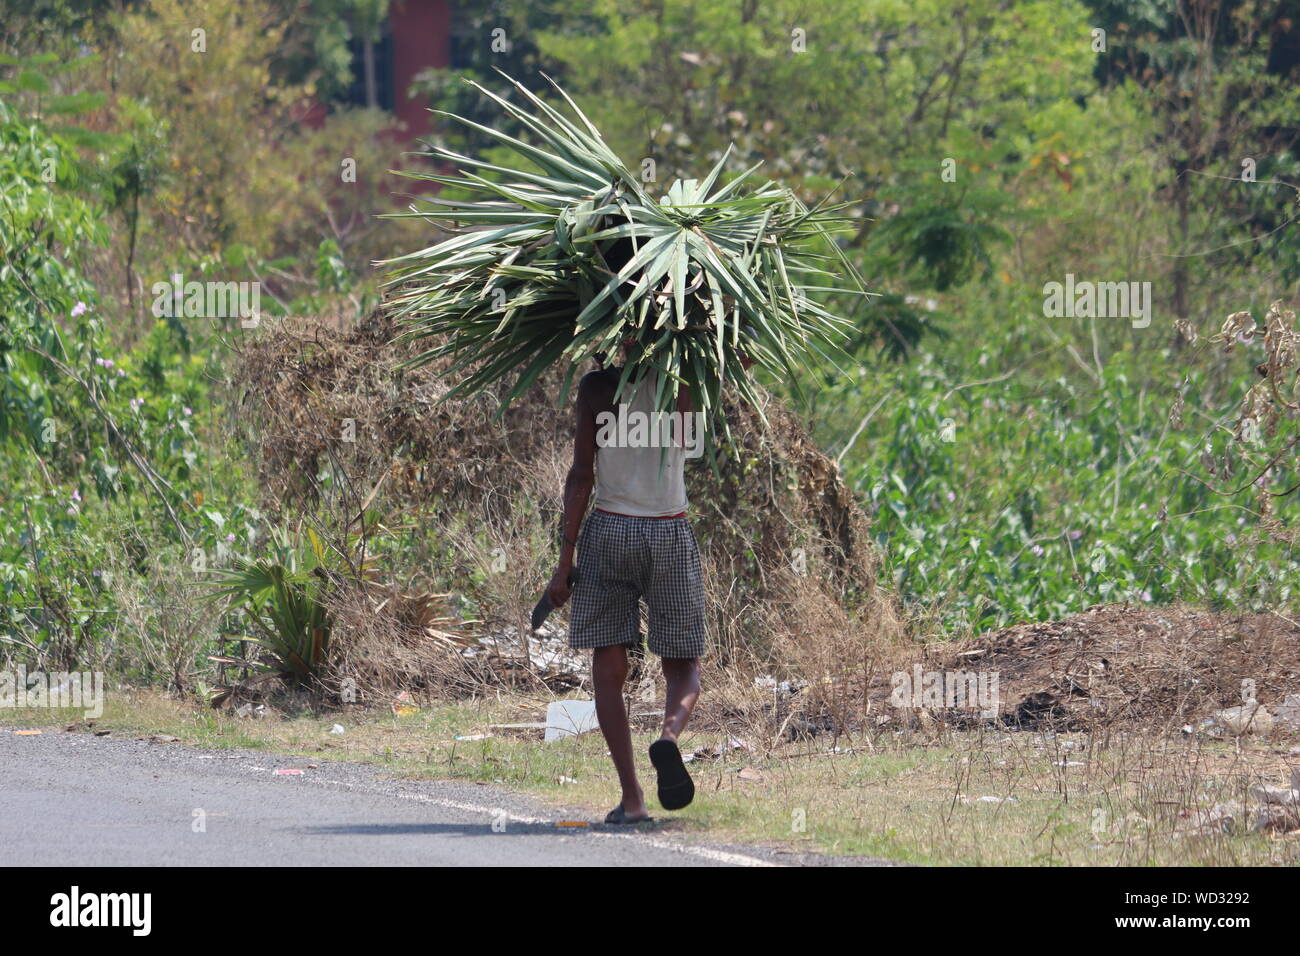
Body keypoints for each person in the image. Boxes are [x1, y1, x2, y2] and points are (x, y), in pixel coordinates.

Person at [545, 334, 704, 824]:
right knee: (682, 664)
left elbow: (581, 475)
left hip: (609, 530)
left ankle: (632, 798)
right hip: (669, 529)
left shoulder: (597, 389)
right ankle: (668, 737)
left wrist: (564, 558)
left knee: (608, 669)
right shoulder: (690, 385)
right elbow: (736, 352)